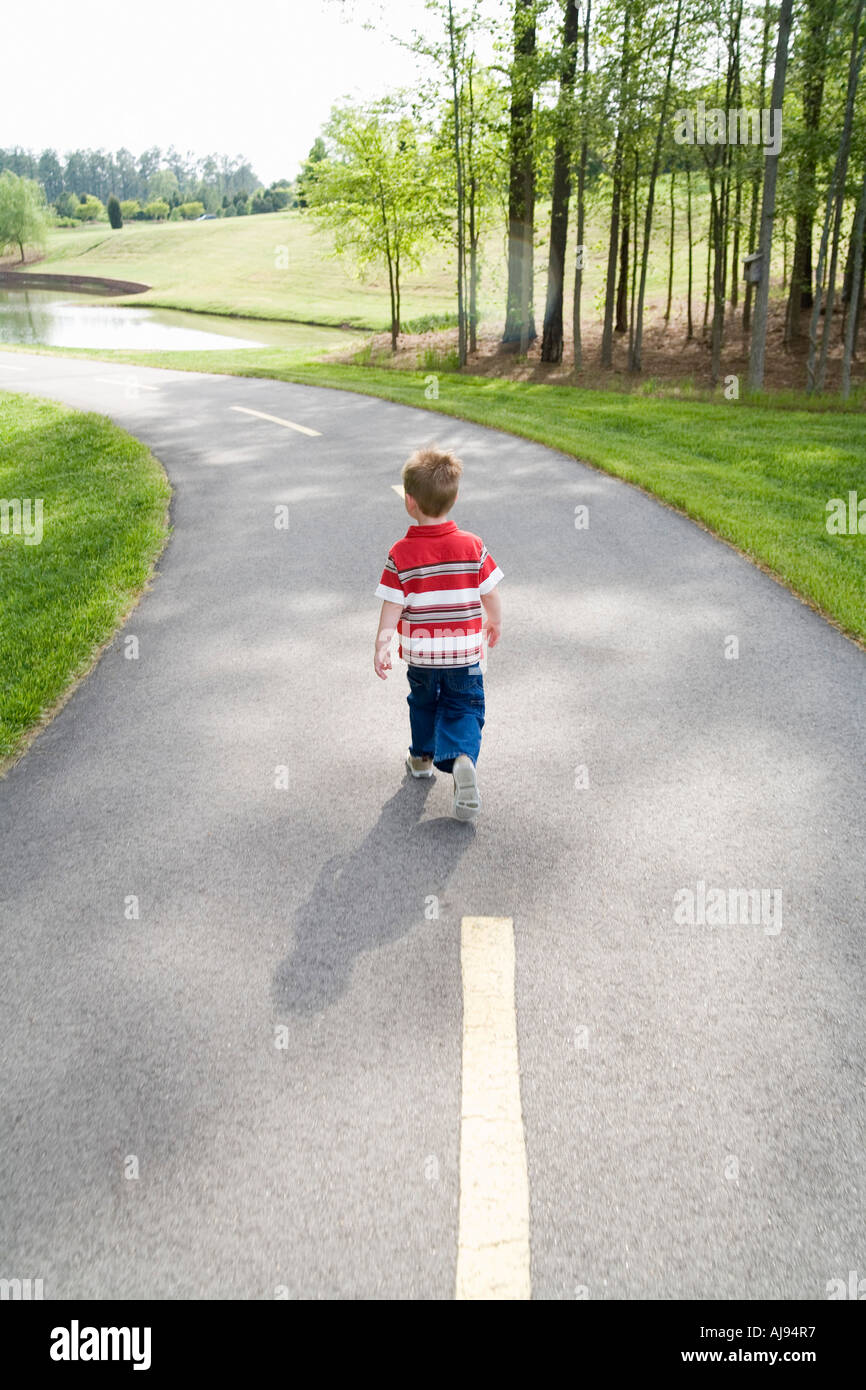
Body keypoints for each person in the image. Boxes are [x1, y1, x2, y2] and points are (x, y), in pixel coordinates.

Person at [374, 446, 503, 822]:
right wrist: (494, 620)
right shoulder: (473, 545)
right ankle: (462, 757)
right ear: (455, 498)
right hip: (465, 653)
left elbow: (392, 607)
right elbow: (490, 592)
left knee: (424, 701)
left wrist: (382, 645)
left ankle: (422, 758)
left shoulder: (400, 553)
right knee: (464, 706)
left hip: (421, 654)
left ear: (409, 503)